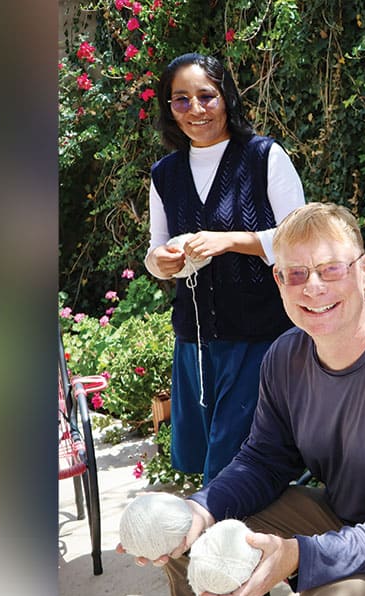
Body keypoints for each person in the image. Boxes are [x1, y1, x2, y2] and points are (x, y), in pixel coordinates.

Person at [121, 202, 365, 596]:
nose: (313, 287)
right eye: (296, 273)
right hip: (342, 515)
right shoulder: (284, 357)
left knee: (332, 594)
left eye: (331, 268)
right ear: (278, 280)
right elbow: (263, 462)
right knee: (196, 541)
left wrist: (299, 555)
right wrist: (200, 509)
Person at [143, 53, 305, 483]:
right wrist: (160, 262)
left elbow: (301, 239)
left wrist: (229, 240)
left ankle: (239, 541)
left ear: (226, 98)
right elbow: (156, 252)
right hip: (194, 343)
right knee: (209, 465)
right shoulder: (164, 174)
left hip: (258, 338)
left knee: (238, 466)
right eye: (181, 100)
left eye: (206, 96)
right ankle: (232, 541)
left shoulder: (263, 157)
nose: (195, 110)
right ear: (168, 108)